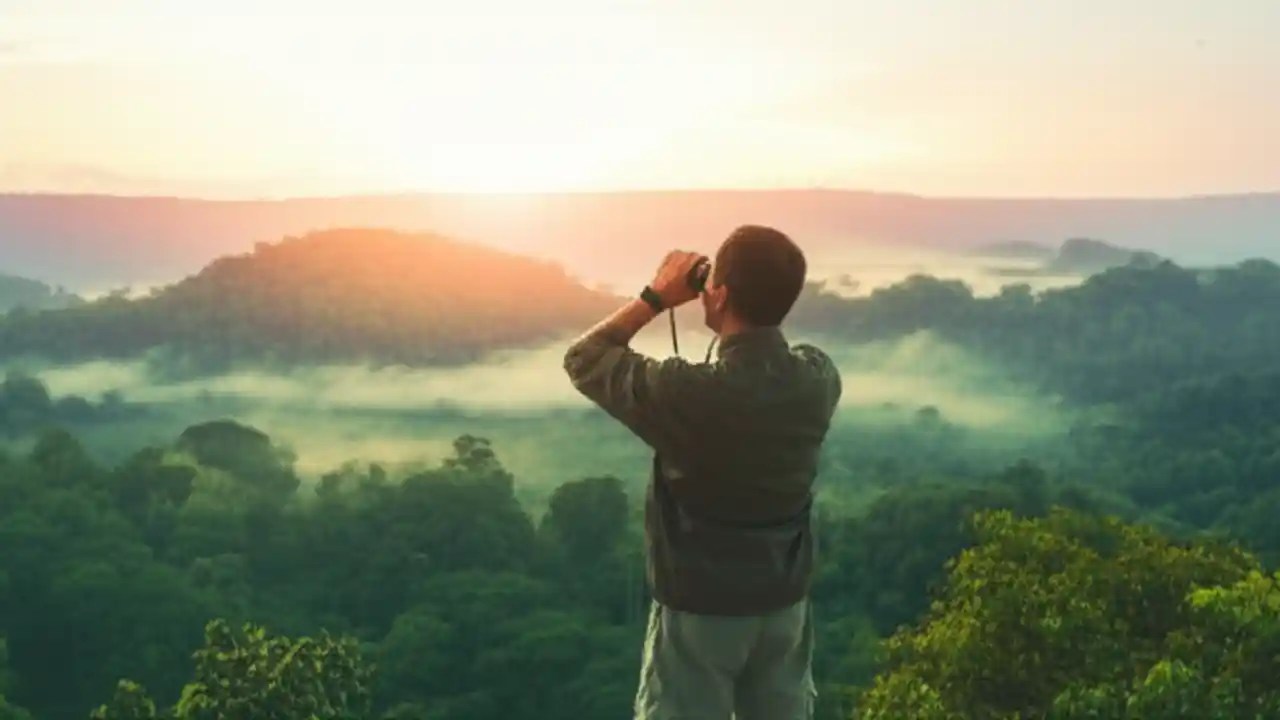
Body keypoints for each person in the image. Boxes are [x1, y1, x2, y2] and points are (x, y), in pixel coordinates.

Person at [563, 225, 842, 720]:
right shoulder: (819, 378)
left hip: (701, 611)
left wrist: (655, 298)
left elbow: (584, 358)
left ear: (720, 293)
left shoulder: (688, 394)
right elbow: (769, 360)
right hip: (784, 607)